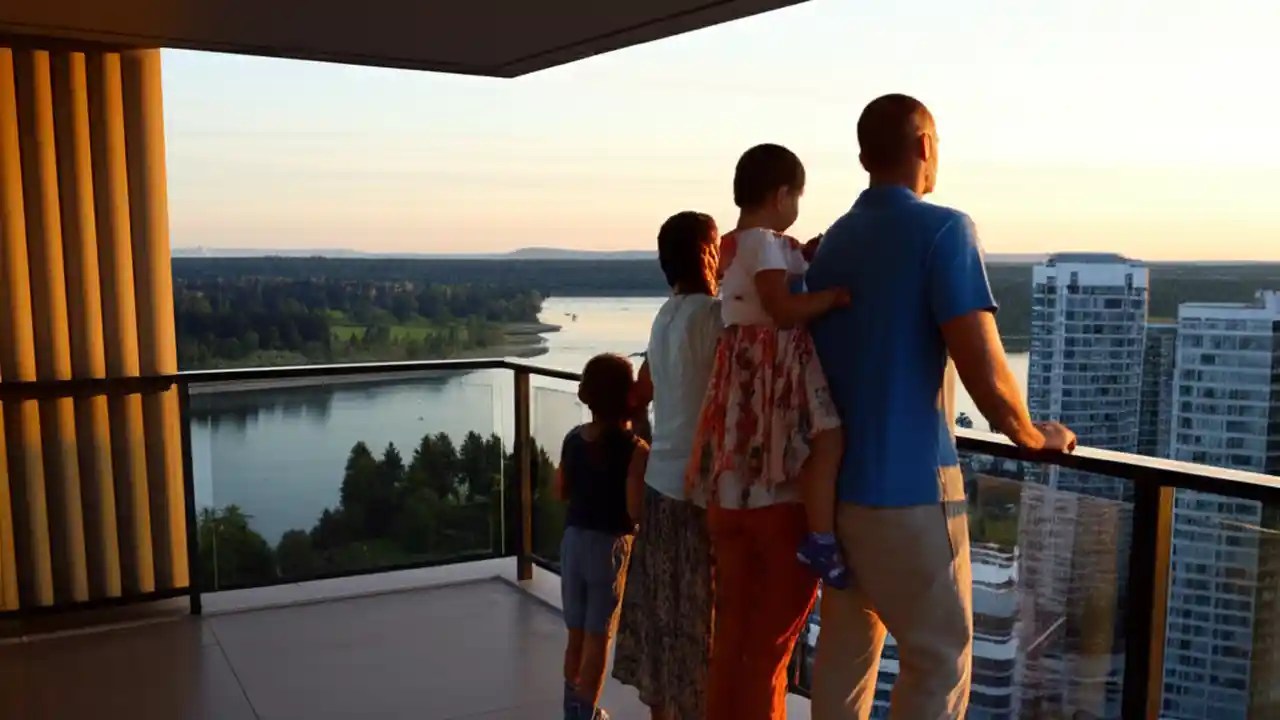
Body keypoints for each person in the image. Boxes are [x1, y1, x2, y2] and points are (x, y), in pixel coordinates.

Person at [806, 94, 1077, 719]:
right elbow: (983, 365)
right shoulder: (944, 229)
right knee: (938, 659)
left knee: (846, 658)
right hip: (910, 494)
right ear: (925, 146)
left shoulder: (833, 244)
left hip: (832, 493)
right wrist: (1034, 437)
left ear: (863, 156)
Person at [690, 143, 850, 720]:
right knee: (771, 650)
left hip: (730, 489)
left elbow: (771, 279)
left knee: (730, 635)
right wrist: (831, 297)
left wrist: (802, 255)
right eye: (796, 199)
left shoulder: (740, 249)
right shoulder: (759, 245)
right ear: (782, 194)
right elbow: (782, 308)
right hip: (775, 489)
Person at [612, 211, 721, 720]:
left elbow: (644, 390)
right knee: (699, 624)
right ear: (706, 253)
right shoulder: (714, 318)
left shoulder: (665, 315)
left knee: (663, 617)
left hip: (659, 485)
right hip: (695, 492)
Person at [557, 353, 649, 720]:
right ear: (628, 397)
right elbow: (634, 509)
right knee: (599, 638)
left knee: (575, 635)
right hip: (609, 547)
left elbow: (560, 489)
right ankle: (586, 712)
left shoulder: (572, 440)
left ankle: (571, 709)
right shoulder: (636, 450)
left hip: (573, 541)